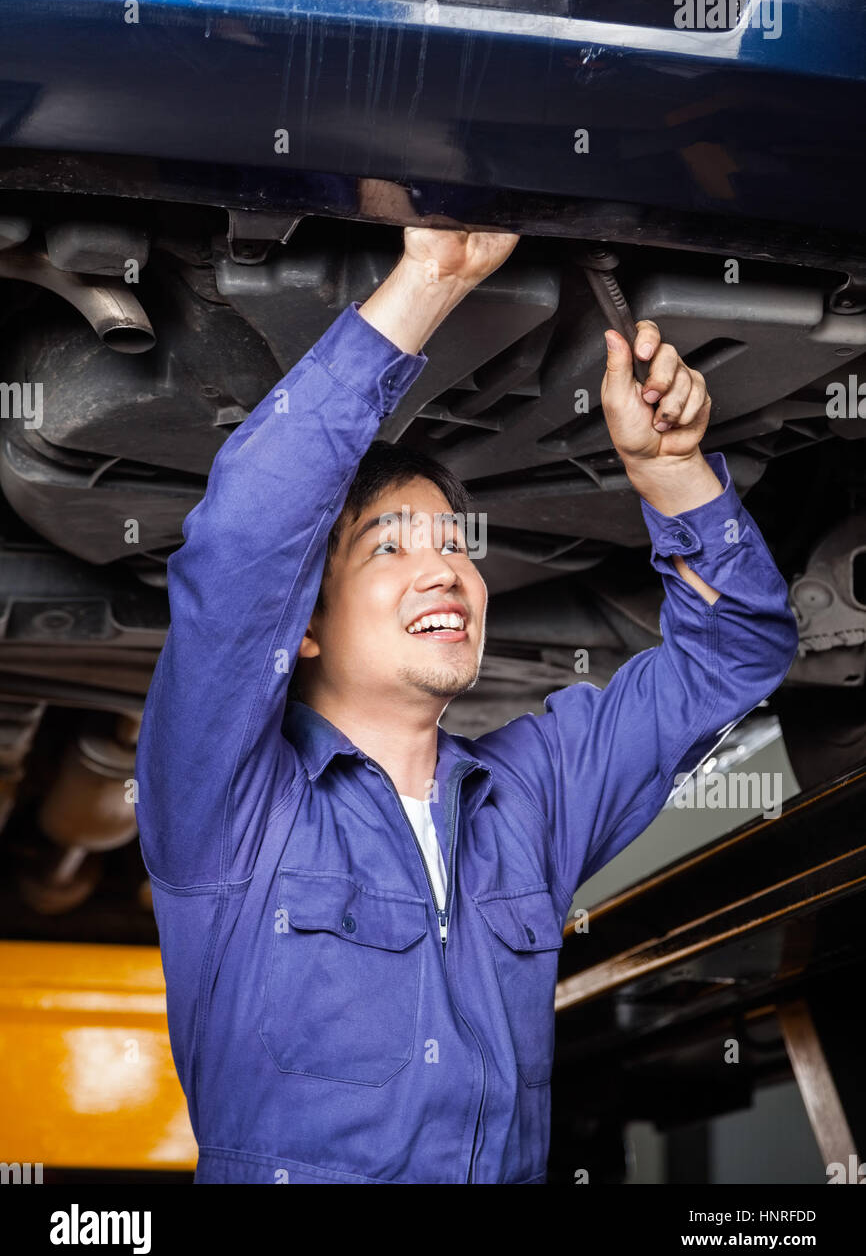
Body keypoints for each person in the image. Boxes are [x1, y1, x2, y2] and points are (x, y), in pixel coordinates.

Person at [135, 227, 799, 1184]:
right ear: (306, 627)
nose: (445, 568)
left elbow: (735, 651)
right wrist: (429, 278)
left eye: (455, 545)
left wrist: (670, 472)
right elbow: (243, 541)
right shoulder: (231, 811)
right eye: (391, 548)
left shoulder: (530, 799)